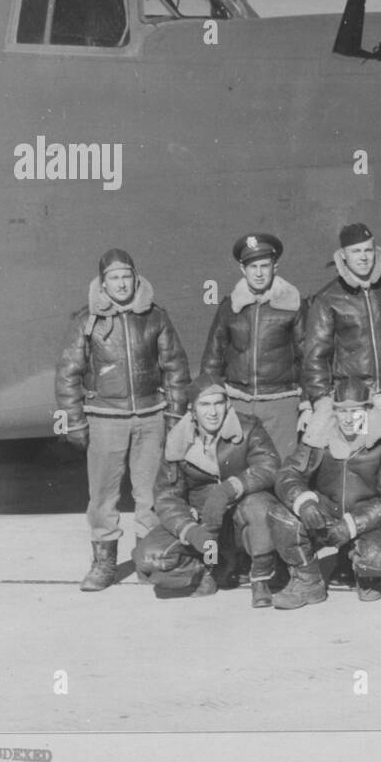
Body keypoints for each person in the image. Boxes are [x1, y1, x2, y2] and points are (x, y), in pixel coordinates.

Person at [55, 248, 190, 593]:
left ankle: (149, 559)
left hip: (151, 416)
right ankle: (104, 565)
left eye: (126, 276)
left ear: (136, 278)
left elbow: (175, 367)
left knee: (151, 495)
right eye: (113, 278)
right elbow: (68, 373)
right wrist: (75, 420)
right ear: (103, 283)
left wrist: (174, 414)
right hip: (105, 418)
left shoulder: (156, 317)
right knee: (102, 497)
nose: (121, 284)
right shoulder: (87, 320)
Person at [132, 372, 282, 607]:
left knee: (259, 505)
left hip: (238, 518)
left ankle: (259, 576)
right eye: (204, 405)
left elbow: (269, 466)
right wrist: (190, 530)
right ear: (192, 409)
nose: (212, 412)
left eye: (218, 404)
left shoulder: (249, 428)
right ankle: (210, 569)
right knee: (148, 562)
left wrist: (230, 488)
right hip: (205, 525)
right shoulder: (177, 440)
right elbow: (167, 496)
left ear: (227, 404)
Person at [266, 377, 381, 609]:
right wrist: (304, 502)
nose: (348, 419)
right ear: (334, 412)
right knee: (281, 516)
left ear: (368, 410)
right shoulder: (319, 439)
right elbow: (288, 473)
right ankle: (308, 580)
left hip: (365, 521)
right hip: (327, 513)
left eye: (355, 411)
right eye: (341, 411)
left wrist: (353, 524)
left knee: (374, 561)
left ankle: (364, 575)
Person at [302, 223, 381, 442]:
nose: (363, 257)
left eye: (368, 250)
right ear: (343, 256)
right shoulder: (328, 298)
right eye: (356, 251)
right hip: (354, 399)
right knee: (363, 458)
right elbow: (315, 356)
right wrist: (321, 399)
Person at [200, 232, 307, 463]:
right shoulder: (229, 307)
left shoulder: (294, 305)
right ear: (242, 269)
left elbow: (308, 356)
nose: (258, 273)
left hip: (281, 403)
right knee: (237, 469)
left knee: (280, 469)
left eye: (264, 266)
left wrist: (308, 402)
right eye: (252, 267)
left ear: (275, 267)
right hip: (238, 403)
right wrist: (206, 399)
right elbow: (213, 356)